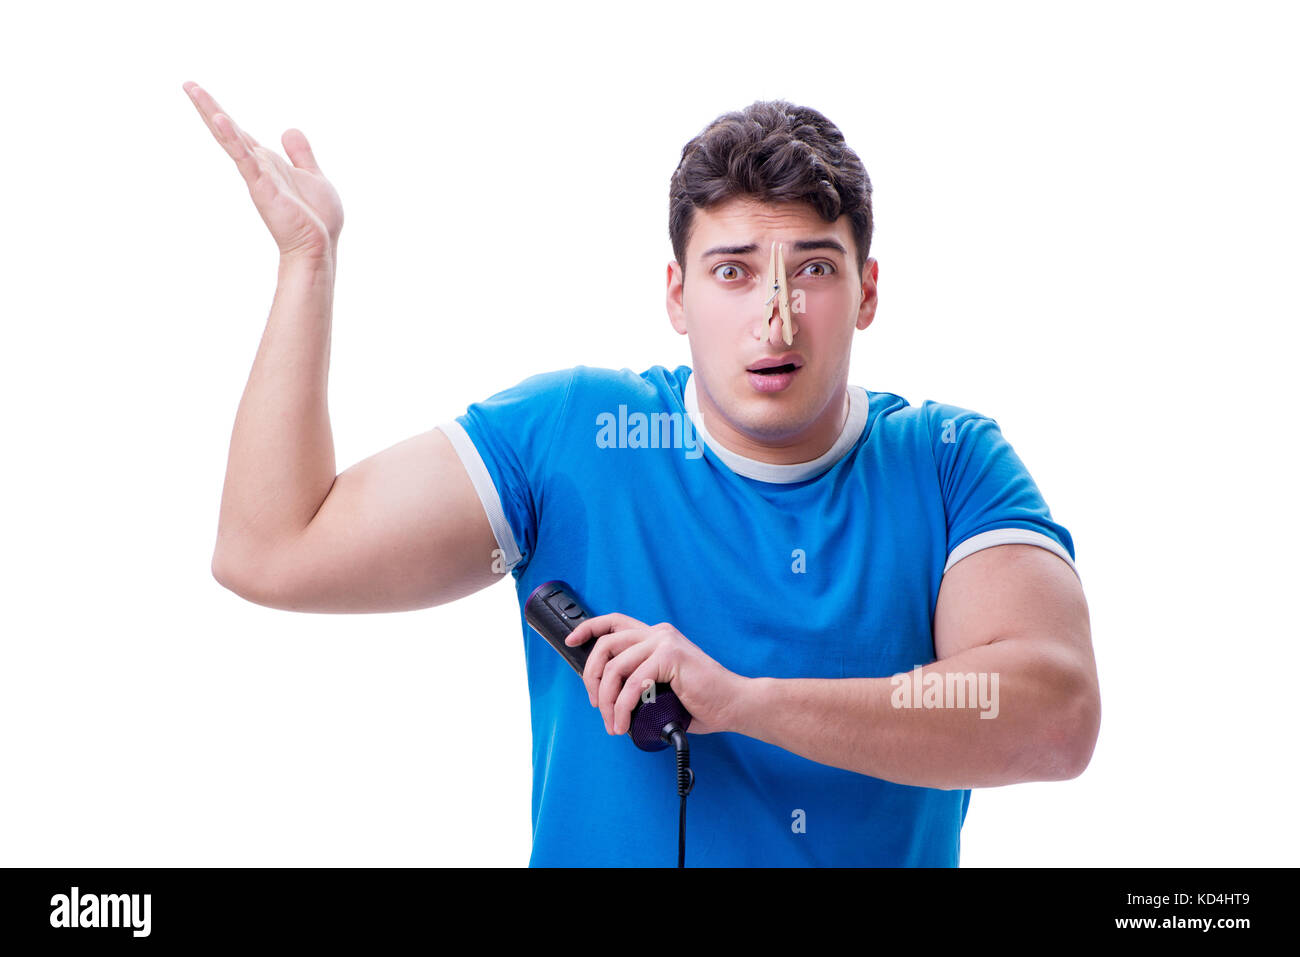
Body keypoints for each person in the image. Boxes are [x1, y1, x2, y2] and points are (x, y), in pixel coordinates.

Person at [189, 82, 1100, 866]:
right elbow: (272, 549)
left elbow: (1054, 712)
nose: (774, 323)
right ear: (677, 294)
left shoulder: (949, 461)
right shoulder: (575, 434)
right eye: (733, 273)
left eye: (813, 270)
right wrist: (308, 265)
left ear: (866, 289)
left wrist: (746, 701)